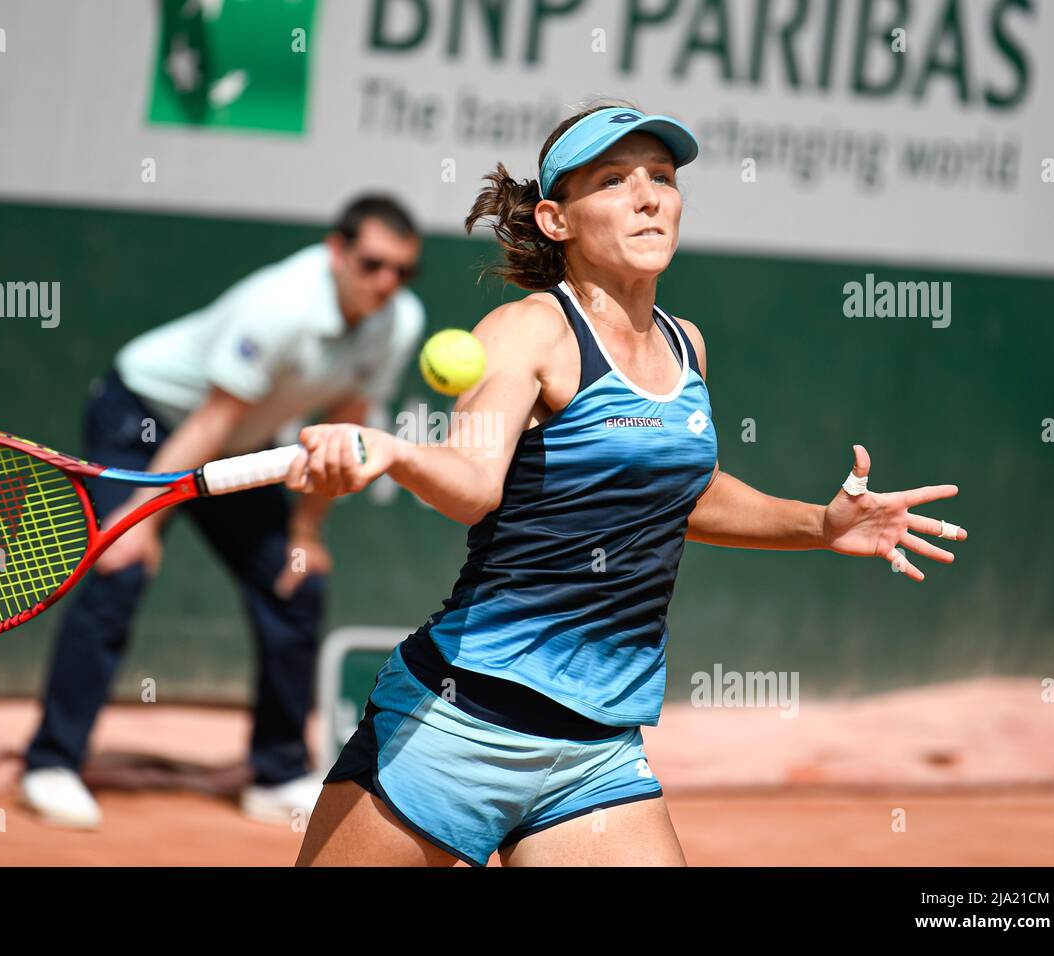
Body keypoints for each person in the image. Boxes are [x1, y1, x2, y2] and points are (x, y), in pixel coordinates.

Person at [286, 103, 968, 866]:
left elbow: (688, 495)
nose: (649, 197)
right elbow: (472, 484)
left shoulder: (685, 344)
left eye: (664, 178)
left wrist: (821, 524)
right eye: (613, 181)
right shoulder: (529, 331)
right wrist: (394, 453)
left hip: (596, 752)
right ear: (555, 220)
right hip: (457, 722)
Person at [20, 195, 425, 829]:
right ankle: (50, 764)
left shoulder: (397, 321)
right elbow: (212, 418)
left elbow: (342, 426)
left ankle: (278, 772)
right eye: (373, 265)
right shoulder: (281, 305)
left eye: (403, 271)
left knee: (295, 578)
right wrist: (142, 523)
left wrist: (304, 532)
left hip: (238, 441)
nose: (387, 283)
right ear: (337, 252)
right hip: (146, 421)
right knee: (119, 568)